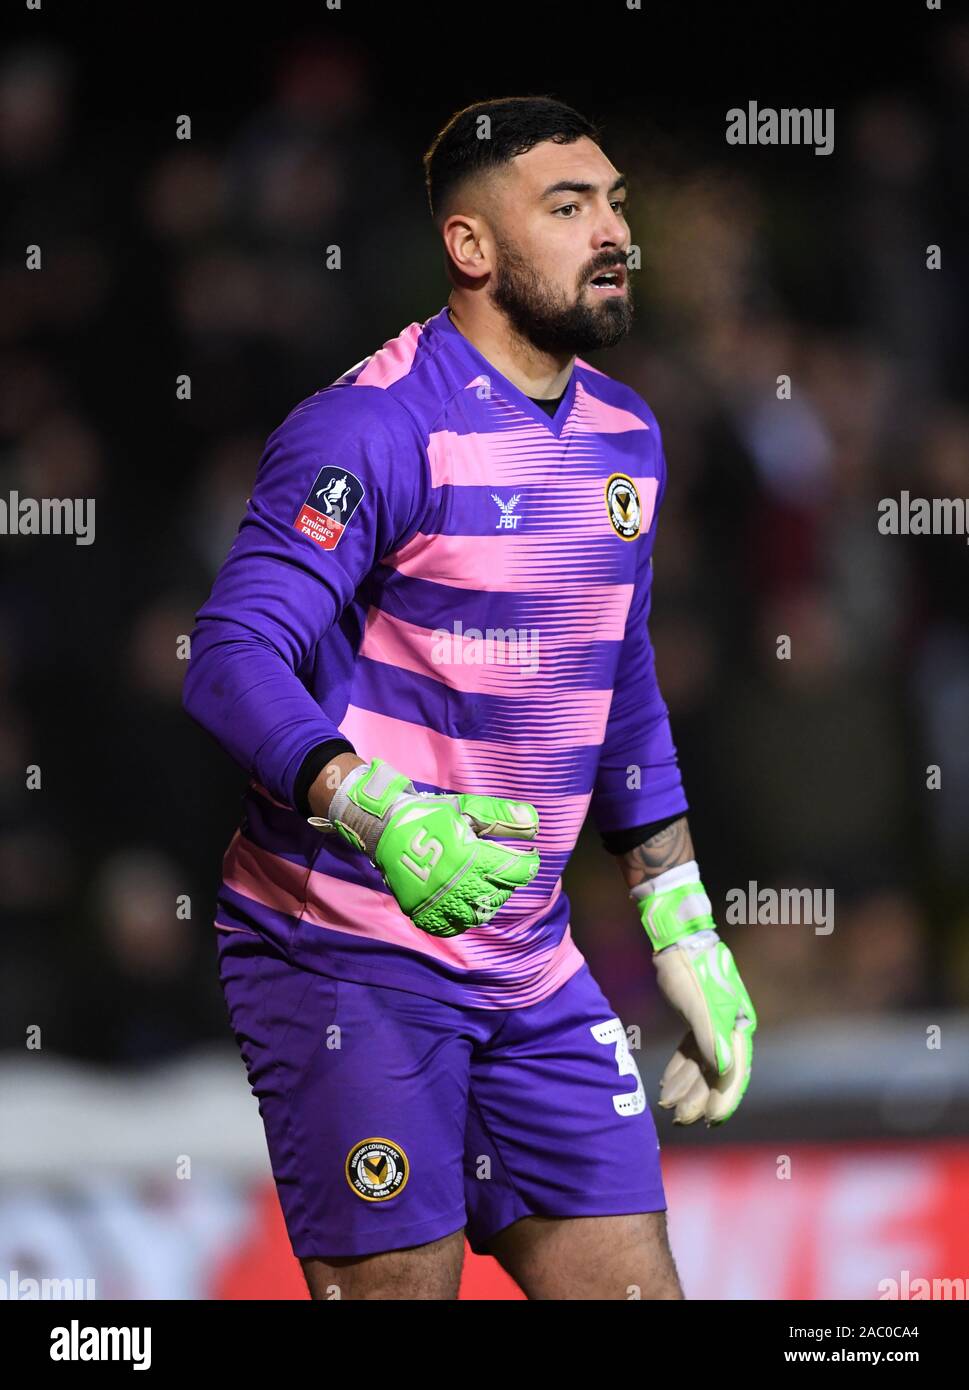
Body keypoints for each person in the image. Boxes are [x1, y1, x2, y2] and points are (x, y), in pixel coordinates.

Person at [183, 95, 756, 1301]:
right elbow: (231, 655)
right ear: (471, 248)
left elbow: (620, 679)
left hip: (530, 962)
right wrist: (376, 808)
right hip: (346, 950)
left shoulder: (626, 435)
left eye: (615, 203)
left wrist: (680, 918)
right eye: (568, 207)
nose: (612, 232)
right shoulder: (372, 426)